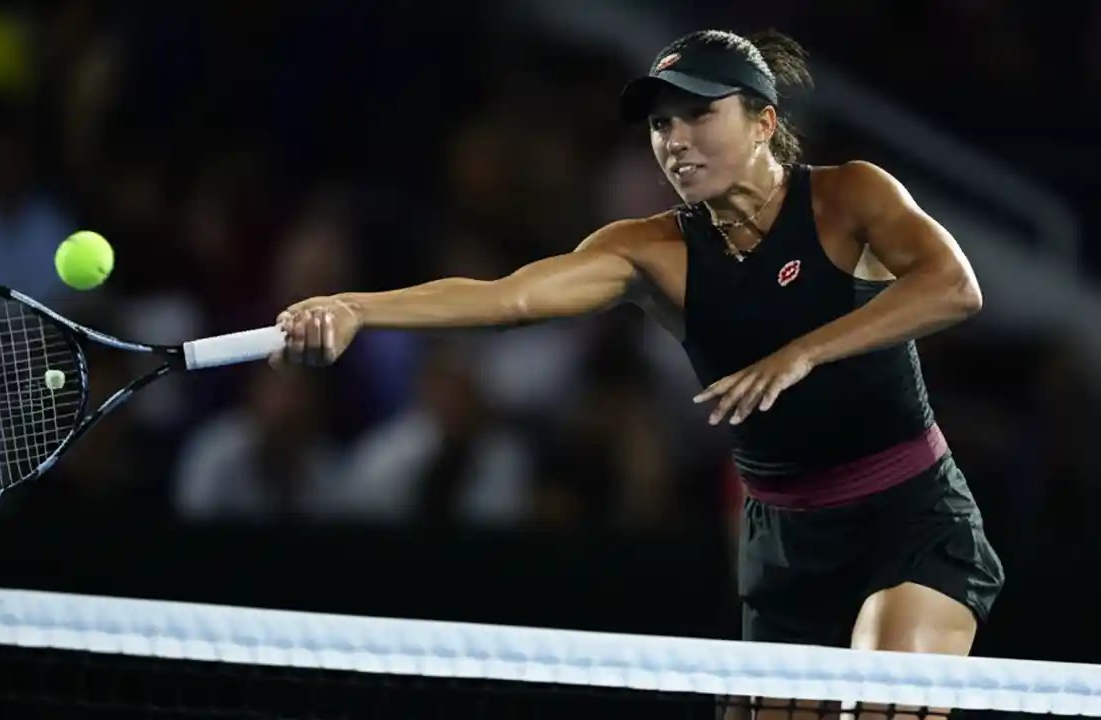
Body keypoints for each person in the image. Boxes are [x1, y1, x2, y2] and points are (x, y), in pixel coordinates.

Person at [271, 26, 1005, 685]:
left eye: (698, 114)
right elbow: (510, 298)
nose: (674, 140)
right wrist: (356, 308)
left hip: (910, 518)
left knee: (884, 703)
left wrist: (803, 353)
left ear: (763, 121)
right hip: (787, 545)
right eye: (660, 123)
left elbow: (954, 287)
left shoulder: (850, 196)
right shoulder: (650, 251)